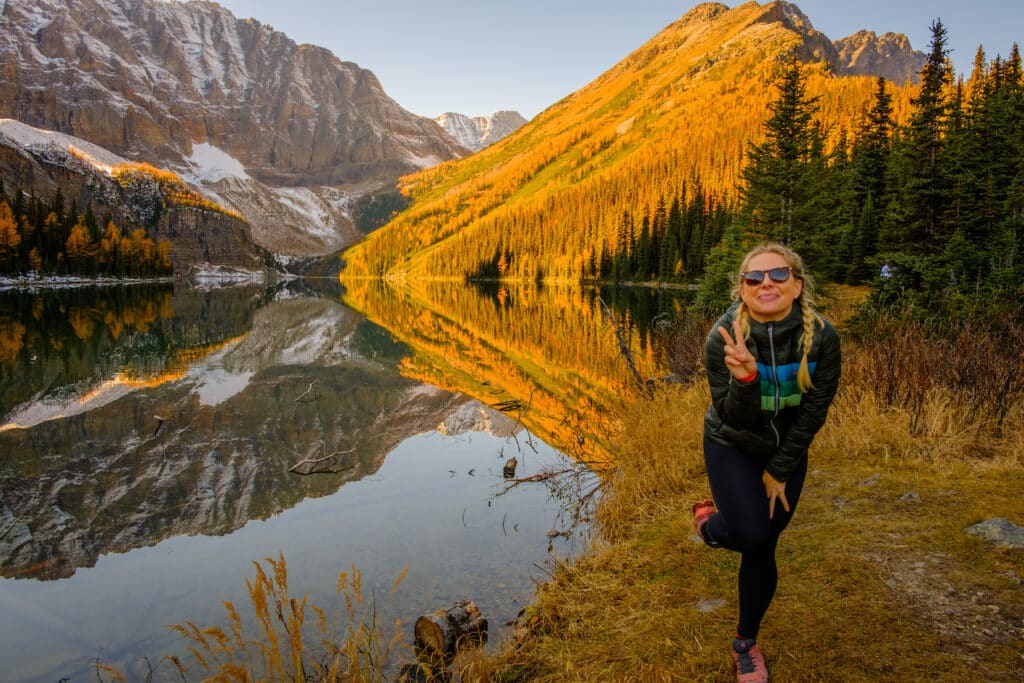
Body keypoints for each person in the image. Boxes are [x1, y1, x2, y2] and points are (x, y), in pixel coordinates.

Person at [693, 243, 841, 683]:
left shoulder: (823, 337)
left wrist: (779, 469)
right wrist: (746, 379)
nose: (766, 284)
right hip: (731, 443)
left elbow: (814, 411)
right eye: (754, 278)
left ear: (797, 285)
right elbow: (732, 416)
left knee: (764, 542)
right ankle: (711, 525)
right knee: (750, 534)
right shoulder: (722, 337)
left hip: (787, 449)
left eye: (777, 275)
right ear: (742, 290)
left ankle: (745, 642)